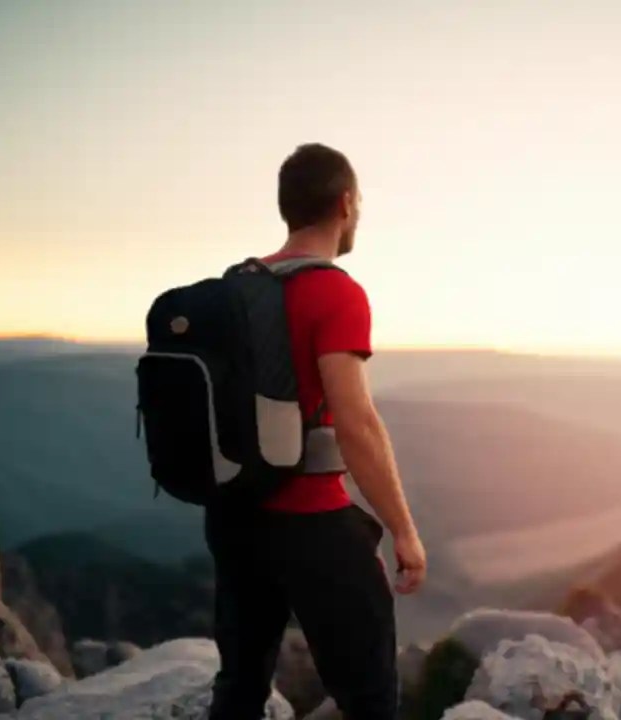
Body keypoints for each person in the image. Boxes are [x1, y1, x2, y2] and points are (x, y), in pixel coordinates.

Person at [205, 143, 426, 720]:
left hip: (234, 515)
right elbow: (357, 424)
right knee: (370, 697)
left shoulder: (233, 289)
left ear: (287, 207)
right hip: (312, 524)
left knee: (240, 687)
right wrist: (403, 530)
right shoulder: (336, 292)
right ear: (346, 203)